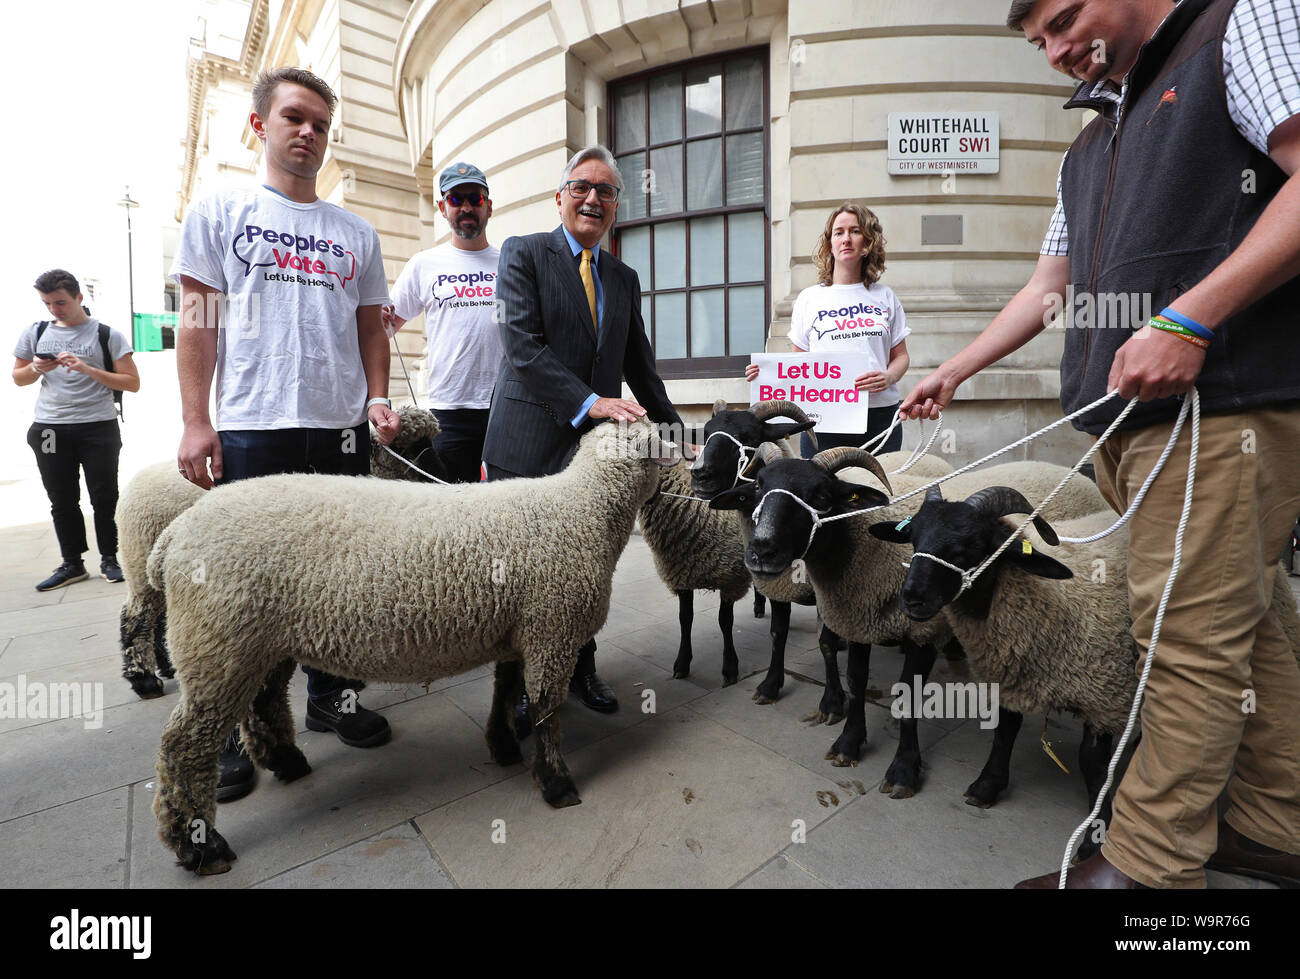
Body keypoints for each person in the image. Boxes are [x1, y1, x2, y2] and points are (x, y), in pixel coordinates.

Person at [903, 0, 1300, 888]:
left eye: (1062, 18)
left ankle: (1149, 876)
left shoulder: (1240, 23)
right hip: (1128, 430)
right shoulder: (1086, 147)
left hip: (1219, 413)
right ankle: (1280, 822)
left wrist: (1191, 315)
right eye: (1037, 41)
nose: (1052, 51)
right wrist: (955, 368)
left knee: (1183, 638)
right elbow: (1051, 284)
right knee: (1253, 621)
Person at [172, 67, 402, 801]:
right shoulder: (218, 211)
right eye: (295, 117)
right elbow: (198, 323)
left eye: (321, 125)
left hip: (336, 430)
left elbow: (372, 327)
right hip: (253, 427)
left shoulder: (355, 232)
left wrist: (376, 398)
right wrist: (196, 420)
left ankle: (331, 696)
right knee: (251, 590)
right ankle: (241, 725)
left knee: (340, 579)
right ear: (259, 124)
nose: (309, 132)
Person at [482, 144, 684, 717]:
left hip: (589, 459)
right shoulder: (523, 253)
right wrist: (593, 402)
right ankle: (519, 687)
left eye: (606, 191)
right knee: (520, 576)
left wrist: (677, 435)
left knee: (586, 568)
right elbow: (521, 344)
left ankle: (579, 668)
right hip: (524, 443)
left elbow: (640, 365)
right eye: (582, 187)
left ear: (616, 206)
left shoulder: (623, 277)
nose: (593, 198)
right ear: (561, 197)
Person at [745, 203, 910, 456]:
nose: (846, 239)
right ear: (829, 243)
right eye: (838, 232)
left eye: (854, 231)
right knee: (821, 492)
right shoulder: (809, 298)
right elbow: (800, 364)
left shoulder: (885, 296)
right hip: (826, 419)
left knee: (879, 492)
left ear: (867, 241)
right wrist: (765, 373)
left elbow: (901, 356)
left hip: (880, 415)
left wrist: (889, 377)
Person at [12, 269, 140, 591]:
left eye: (61, 302)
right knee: (62, 498)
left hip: (97, 426)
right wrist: (35, 367)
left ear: (79, 298)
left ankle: (110, 559)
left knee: (105, 496)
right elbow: (19, 377)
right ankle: (72, 563)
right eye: (47, 303)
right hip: (51, 430)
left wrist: (87, 368)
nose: (54, 309)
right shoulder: (36, 331)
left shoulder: (107, 334)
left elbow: (132, 382)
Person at [384, 162, 501, 482]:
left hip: (505, 407)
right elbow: (383, 329)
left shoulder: (510, 263)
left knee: (508, 508)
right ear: (442, 207)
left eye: (474, 199)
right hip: (449, 412)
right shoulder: (424, 264)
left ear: (488, 206)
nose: (465, 207)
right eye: (455, 199)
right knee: (451, 508)